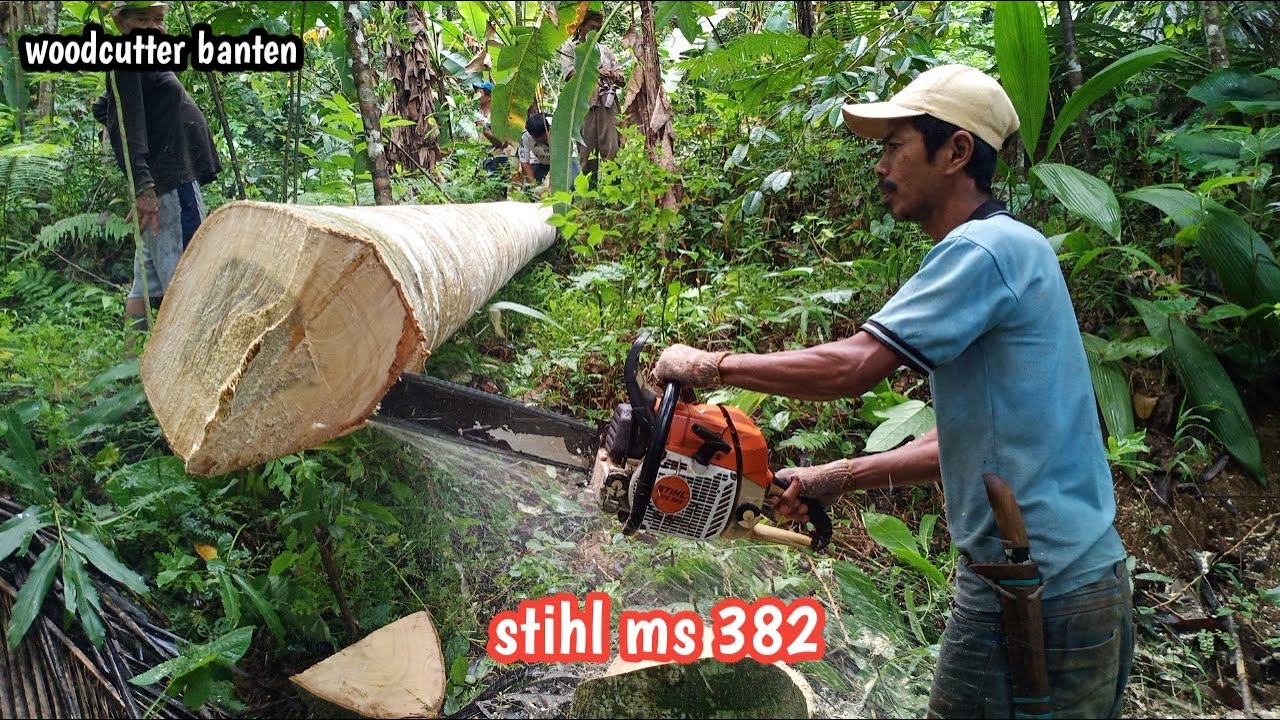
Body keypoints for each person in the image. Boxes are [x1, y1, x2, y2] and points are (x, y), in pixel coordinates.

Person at [652, 64, 1134, 719]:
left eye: (895, 145)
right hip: (1066, 579)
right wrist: (835, 476)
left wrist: (710, 365)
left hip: (1036, 587)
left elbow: (853, 367)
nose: (880, 166)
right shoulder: (1009, 249)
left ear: (956, 151)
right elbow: (970, 442)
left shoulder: (984, 250)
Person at [92, 1, 221, 344]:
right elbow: (128, 126)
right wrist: (145, 187)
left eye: (158, 19)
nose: (153, 27)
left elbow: (112, 107)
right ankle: (186, 360)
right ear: (121, 23)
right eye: (142, 19)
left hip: (166, 181)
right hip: (169, 182)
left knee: (146, 279)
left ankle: (132, 361)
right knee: (188, 276)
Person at [558, 10, 623, 185]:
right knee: (586, 154)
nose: (595, 32)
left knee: (612, 149)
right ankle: (589, 194)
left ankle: (613, 190)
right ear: (581, 26)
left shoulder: (605, 50)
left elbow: (620, 74)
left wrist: (615, 75)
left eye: (598, 28)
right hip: (583, 105)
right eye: (592, 27)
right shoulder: (571, 48)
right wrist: (596, 72)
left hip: (607, 102)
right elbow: (570, 74)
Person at [474, 81, 512, 182]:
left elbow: (504, 143)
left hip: (498, 159)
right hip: (482, 159)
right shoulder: (477, 114)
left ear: (489, 97)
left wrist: (486, 131)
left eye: (479, 93)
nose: (476, 95)